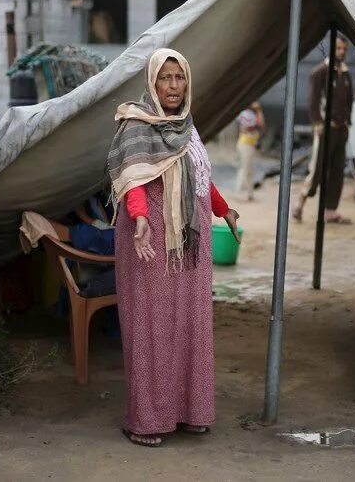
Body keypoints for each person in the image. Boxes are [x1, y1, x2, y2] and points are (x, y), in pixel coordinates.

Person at [107, 48, 240, 448]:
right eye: (164, 78)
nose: (172, 86)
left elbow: (198, 175)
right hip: (149, 239)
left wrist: (223, 210)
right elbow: (132, 178)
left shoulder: (187, 126)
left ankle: (190, 411)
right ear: (152, 82)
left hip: (190, 237)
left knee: (190, 322)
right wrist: (141, 219)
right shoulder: (136, 124)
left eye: (179, 78)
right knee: (152, 326)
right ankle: (146, 421)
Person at [293, 34, 353, 224]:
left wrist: (348, 122)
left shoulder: (346, 73)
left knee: (337, 169)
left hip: (341, 129)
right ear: (331, 49)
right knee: (318, 169)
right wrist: (318, 124)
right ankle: (300, 202)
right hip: (324, 129)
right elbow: (312, 101)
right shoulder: (320, 72)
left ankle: (330, 210)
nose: (341, 52)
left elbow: (349, 101)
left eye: (344, 49)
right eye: (338, 49)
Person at [235, 101, 265, 200]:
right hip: (245, 144)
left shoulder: (250, 113)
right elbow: (261, 124)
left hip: (249, 145)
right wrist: (259, 110)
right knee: (245, 170)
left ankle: (248, 193)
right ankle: (241, 192)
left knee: (248, 170)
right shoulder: (246, 114)